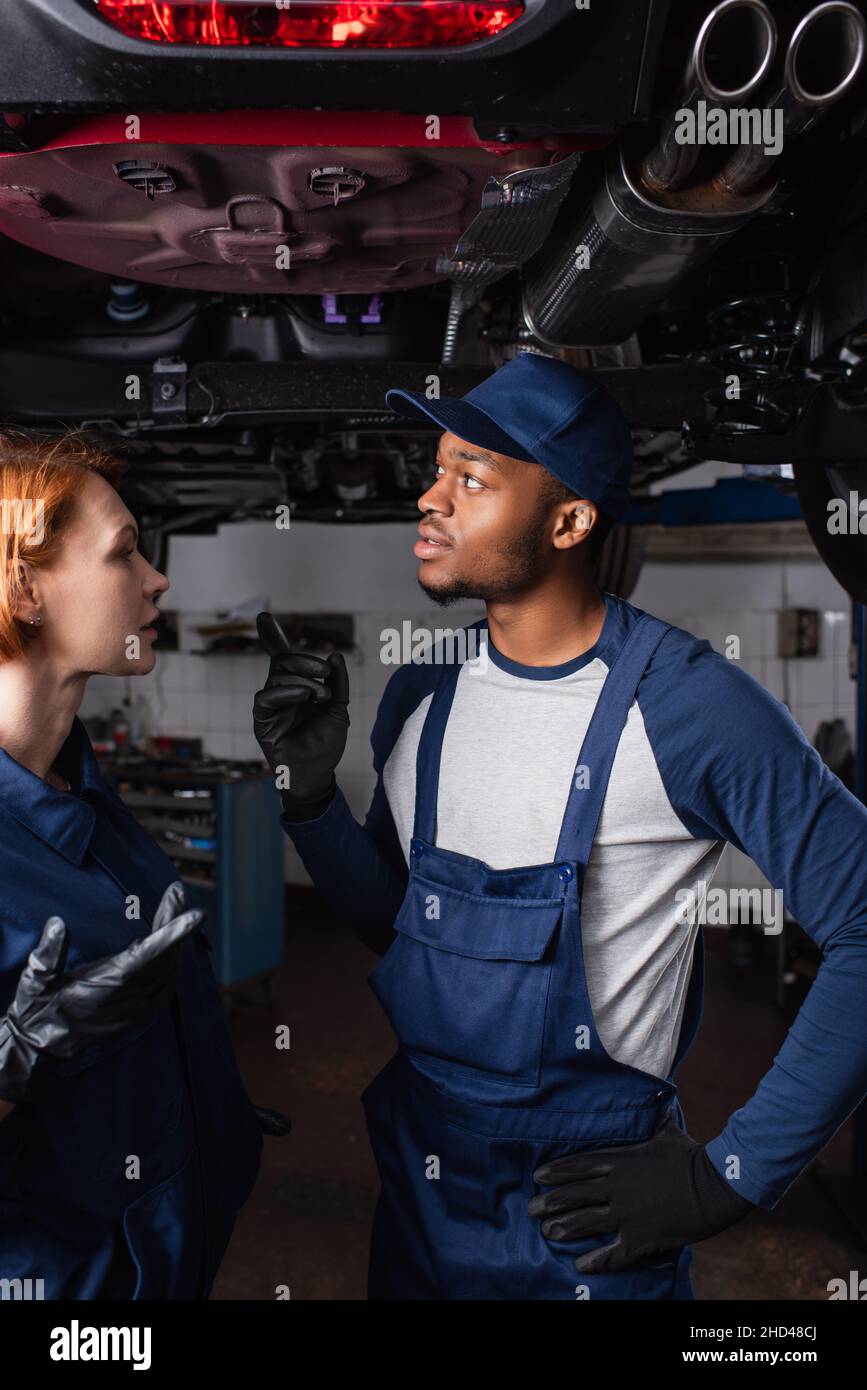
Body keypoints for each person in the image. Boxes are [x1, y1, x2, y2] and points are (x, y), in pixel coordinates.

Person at [253, 353, 867, 1301]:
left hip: (588, 1209)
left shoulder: (693, 708)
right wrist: (308, 797)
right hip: (423, 1183)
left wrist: (727, 1178)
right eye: (437, 466)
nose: (430, 497)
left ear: (570, 519)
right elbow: (402, 926)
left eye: (472, 478)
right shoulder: (423, 690)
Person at [0, 432, 271, 1300]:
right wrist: (15, 1063)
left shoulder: (75, 776)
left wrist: (199, 1106)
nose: (156, 579)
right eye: (124, 553)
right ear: (22, 587)